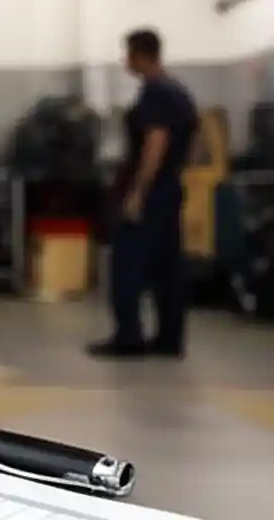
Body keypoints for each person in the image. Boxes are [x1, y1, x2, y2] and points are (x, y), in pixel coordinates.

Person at [88, 29, 198, 359]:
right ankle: (169, 338)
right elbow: (193, 143)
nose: (125, 60)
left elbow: (155, 142)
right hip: (170, 186)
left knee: (127, 263)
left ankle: (129, 337)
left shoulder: (155, 93)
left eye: (128, 53)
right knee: (167, 266)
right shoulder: (179, 91)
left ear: (140, 54)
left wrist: (137, 192)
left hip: (151, 190)